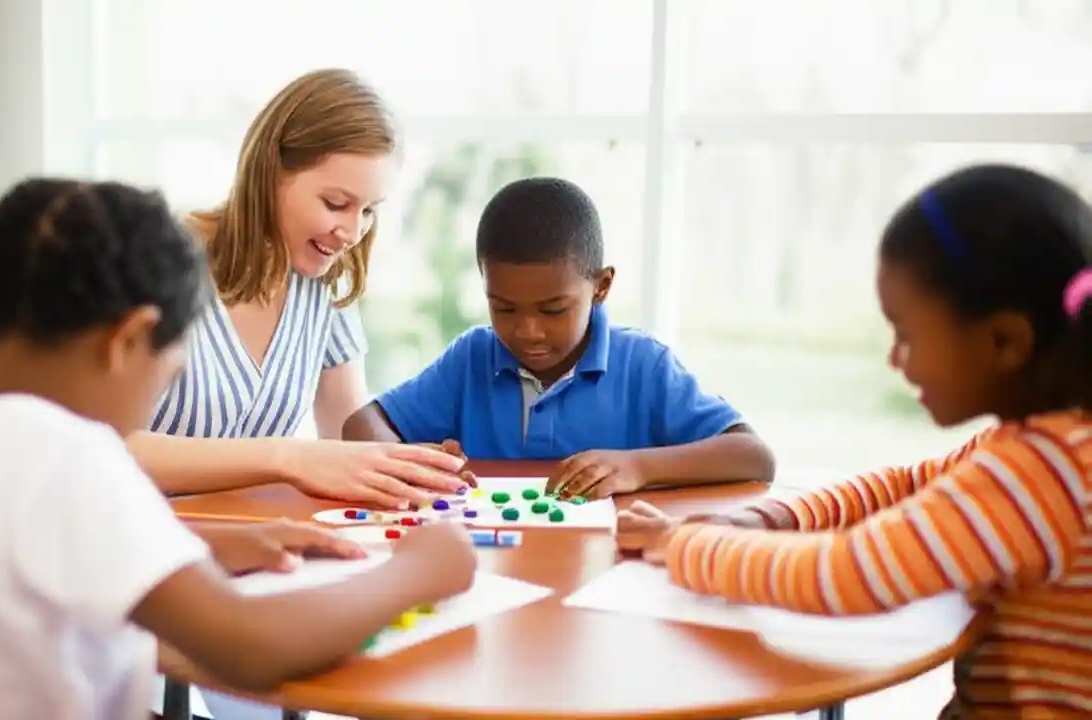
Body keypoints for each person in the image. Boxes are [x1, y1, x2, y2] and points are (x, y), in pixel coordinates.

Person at [0, 178, 476, 720]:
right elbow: (250, 647)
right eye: (169, 370)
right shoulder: (74, 460)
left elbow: (16, 541)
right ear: (128, 342)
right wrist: (414, 574)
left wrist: (198, 543)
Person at [619, 164, 1092, 719]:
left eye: (907, 336)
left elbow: (843, 575)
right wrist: (768, 519)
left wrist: (679, 545)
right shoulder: (1052, 445)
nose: (895, 359)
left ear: (1005, 340)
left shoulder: (1041, 471)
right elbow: (905, 487)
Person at [128, 68, 470, 511]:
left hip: (250, 541)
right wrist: (289, 457)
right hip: (135, 543)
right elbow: (107, 447)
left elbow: (344, 431)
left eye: (368, 210)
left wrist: (401, 463)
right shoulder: (159, 260)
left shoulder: (327, 280)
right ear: (270, 173)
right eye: (336, 204)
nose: (351, 232)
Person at [343, 177, 774, 498]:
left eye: (553, 310)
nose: (528, 331)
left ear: (601, 287)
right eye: (504, 308)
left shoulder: (644, 365)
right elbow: (361, 426)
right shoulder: (472, 358)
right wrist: (414, 466)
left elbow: (754, 456)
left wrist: (640, 467)